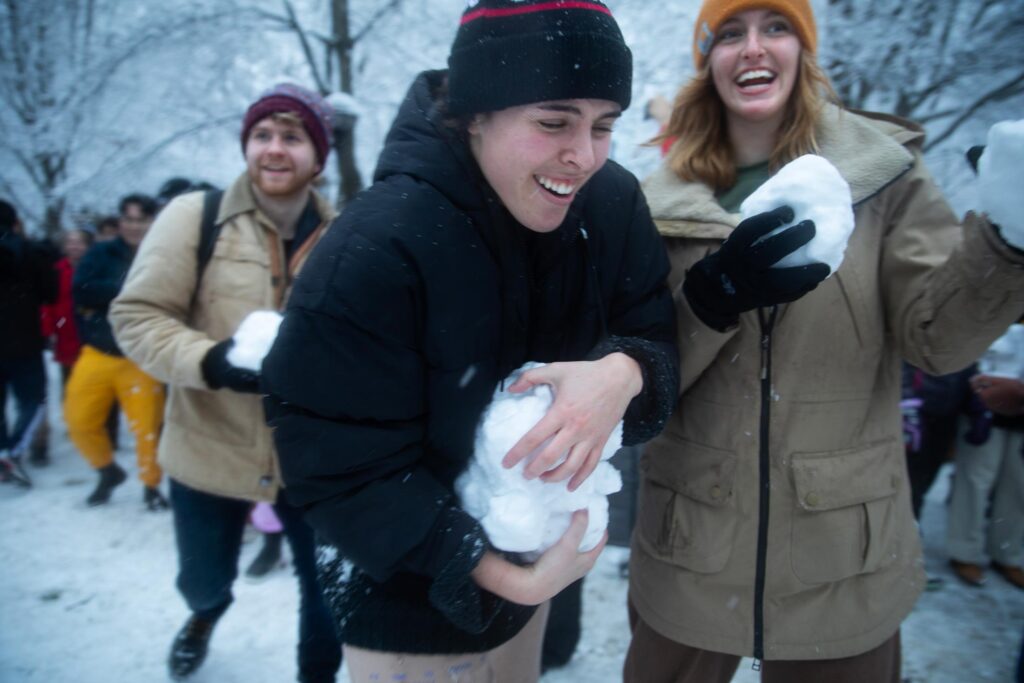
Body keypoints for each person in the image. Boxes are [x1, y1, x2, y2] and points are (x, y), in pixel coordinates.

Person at [260, 2, 679, 681]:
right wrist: (496, 573)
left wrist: (625, 372)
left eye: (604, 125)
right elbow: (332, 456)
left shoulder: (609, 203)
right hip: (403, 595)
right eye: (554, 121)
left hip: (536, 571)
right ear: (474, 114)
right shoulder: (376, 245)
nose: (585, 154)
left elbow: (652, 322)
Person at [626, 0, 1024, 681]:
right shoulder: (654, 200)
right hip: (690, 547)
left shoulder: (885, 175)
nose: (754, 48)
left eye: (776, 27)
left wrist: (1007, 244)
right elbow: (637, 377)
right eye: (730, 34)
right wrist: (711, 299)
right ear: (707, 60)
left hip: (842, 557)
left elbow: (936, 340)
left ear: (804, 50)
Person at [109, 83, 343, 683]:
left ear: (319, 156)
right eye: (262, 135)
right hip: (207, 448)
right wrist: (211, 362)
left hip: (308, 460)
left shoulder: (346, 234)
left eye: (292, 137)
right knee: (203, 578)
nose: (273, 149)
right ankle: (204, 614)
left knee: (327, 599)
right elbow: (135, 317)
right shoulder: (195, 217)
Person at [65, 194, 166, 509]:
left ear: (152, 221)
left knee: (147, 428)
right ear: (120, 222)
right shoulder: (100, 253)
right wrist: (129, 290)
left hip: (141, 356)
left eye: (141, 220)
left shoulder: (163, 252)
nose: (134, 226)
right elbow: (81, 290)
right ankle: (107, 471)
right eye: (129, 219)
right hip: (97, 352)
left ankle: (151, 487)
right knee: (78, 420)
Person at [947, 323, 1024, 590]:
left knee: (1018, 488)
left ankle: (1008, 554)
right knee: (975, 481)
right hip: (985, 410)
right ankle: (964, 552)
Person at [0, 200, 58, 487]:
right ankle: (13, 451)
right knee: (33, 402)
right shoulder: (31, 252)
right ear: (16, 222)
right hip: (24, 342)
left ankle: (2, 451)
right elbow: (51, 294)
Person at [30, 228, 95, 467]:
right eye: (71, 242)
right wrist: (52, 328)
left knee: (92, 383)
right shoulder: (57, 270)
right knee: (70, 383)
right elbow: (49, 304)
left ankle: (93, 424)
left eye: (79, 242)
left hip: (91, 333)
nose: (75, 246)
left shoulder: (94, 266)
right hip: (66, 333)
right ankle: (74, 423)